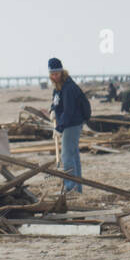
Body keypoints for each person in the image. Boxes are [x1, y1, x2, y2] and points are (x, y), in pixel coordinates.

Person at [42, 58, 90, 193]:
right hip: (68, 123)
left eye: (57, 73)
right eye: (52, 74)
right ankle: (77, 188)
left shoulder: (69, 87)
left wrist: (59, 128)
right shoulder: (58, 87)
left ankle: (70, 187)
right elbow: (56, 101)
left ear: (62, 72)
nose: (54, 76)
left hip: (72, 124)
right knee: (73, 155)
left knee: (66, 156)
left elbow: (69, 111)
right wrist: (52, 110)